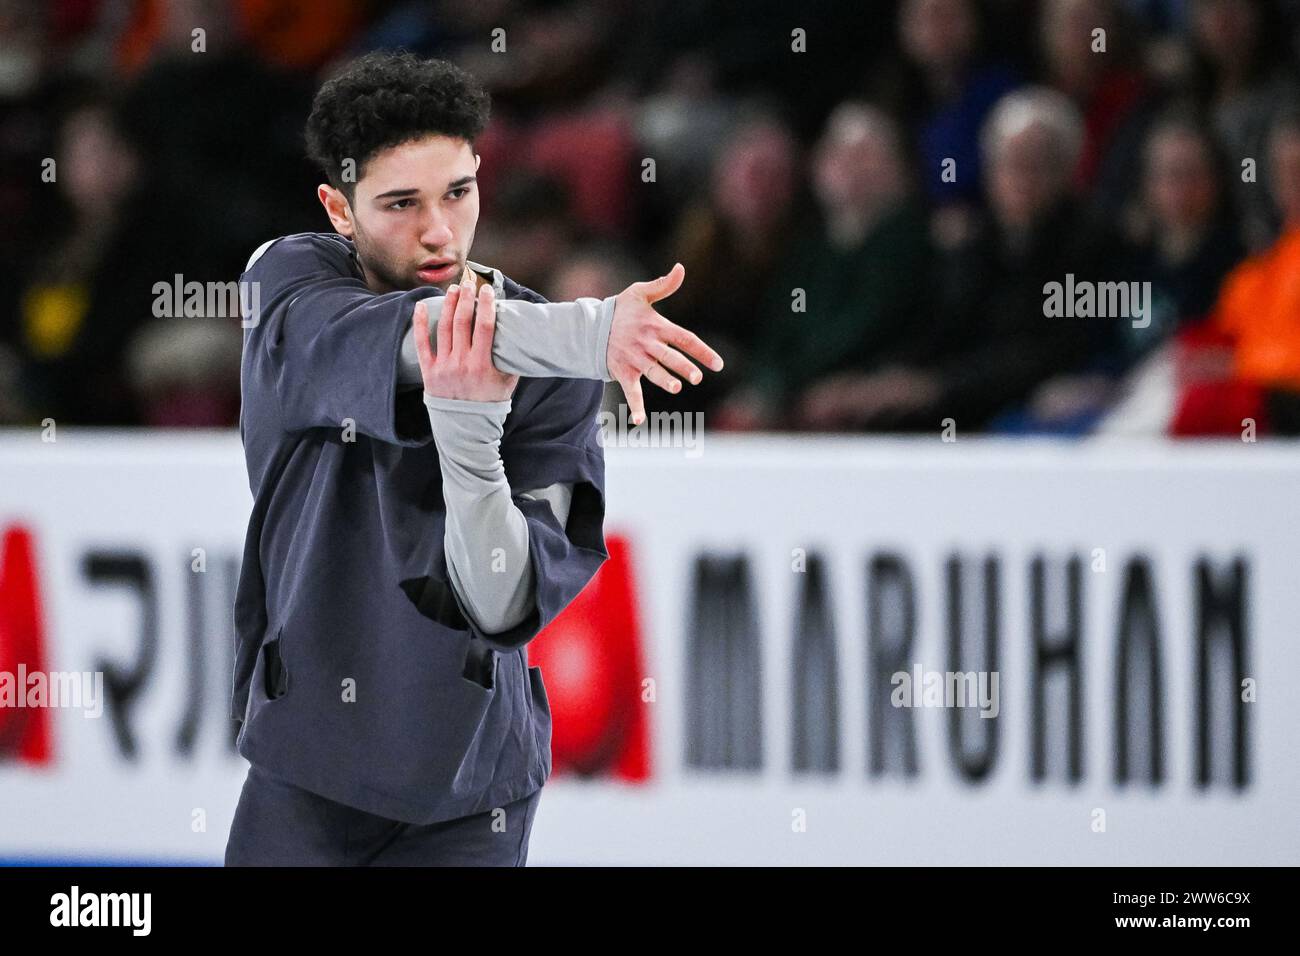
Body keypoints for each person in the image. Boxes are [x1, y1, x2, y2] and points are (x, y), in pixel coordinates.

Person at [225, 52, 722, 866]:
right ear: (337, 209)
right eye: (399, 203)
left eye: (458, 192)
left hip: (474, 788)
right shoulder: (288, 279)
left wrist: (467, 427)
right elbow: (423, 335)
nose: (438, 230)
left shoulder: (552, 364)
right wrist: (591, 334)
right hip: (305, 762)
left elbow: (496, 601)